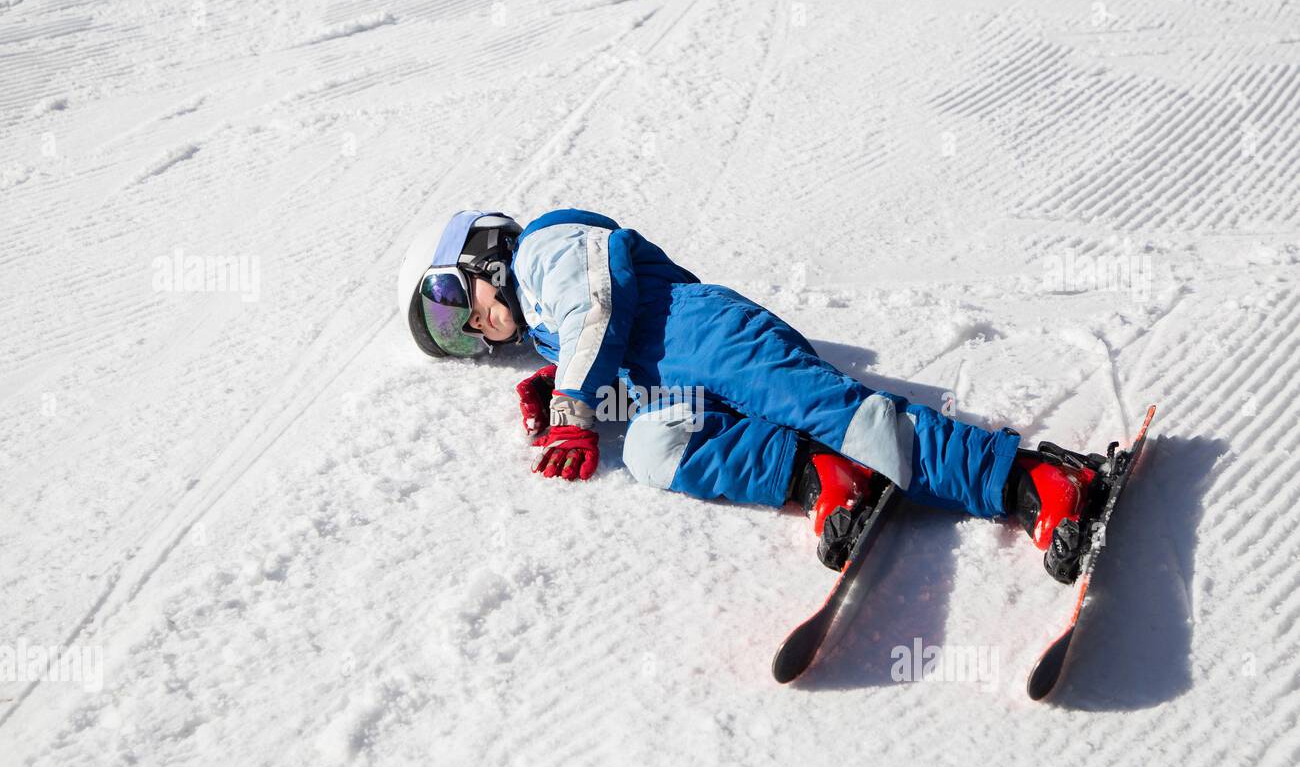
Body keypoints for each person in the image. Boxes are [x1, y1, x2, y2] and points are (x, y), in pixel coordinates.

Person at [399, 208, 1110, 583]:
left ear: (482, 249)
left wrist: (572, 402)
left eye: (454, 299)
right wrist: (561, 380)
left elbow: (597, 306)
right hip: (669, 391)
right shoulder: (551, 335)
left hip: (708, 336)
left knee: (838, 415)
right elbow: (585, 338)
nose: (473, 327)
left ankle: (1037, 480)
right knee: (654, 448)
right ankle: (824, 476)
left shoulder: (545, 248)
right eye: (457, 337)